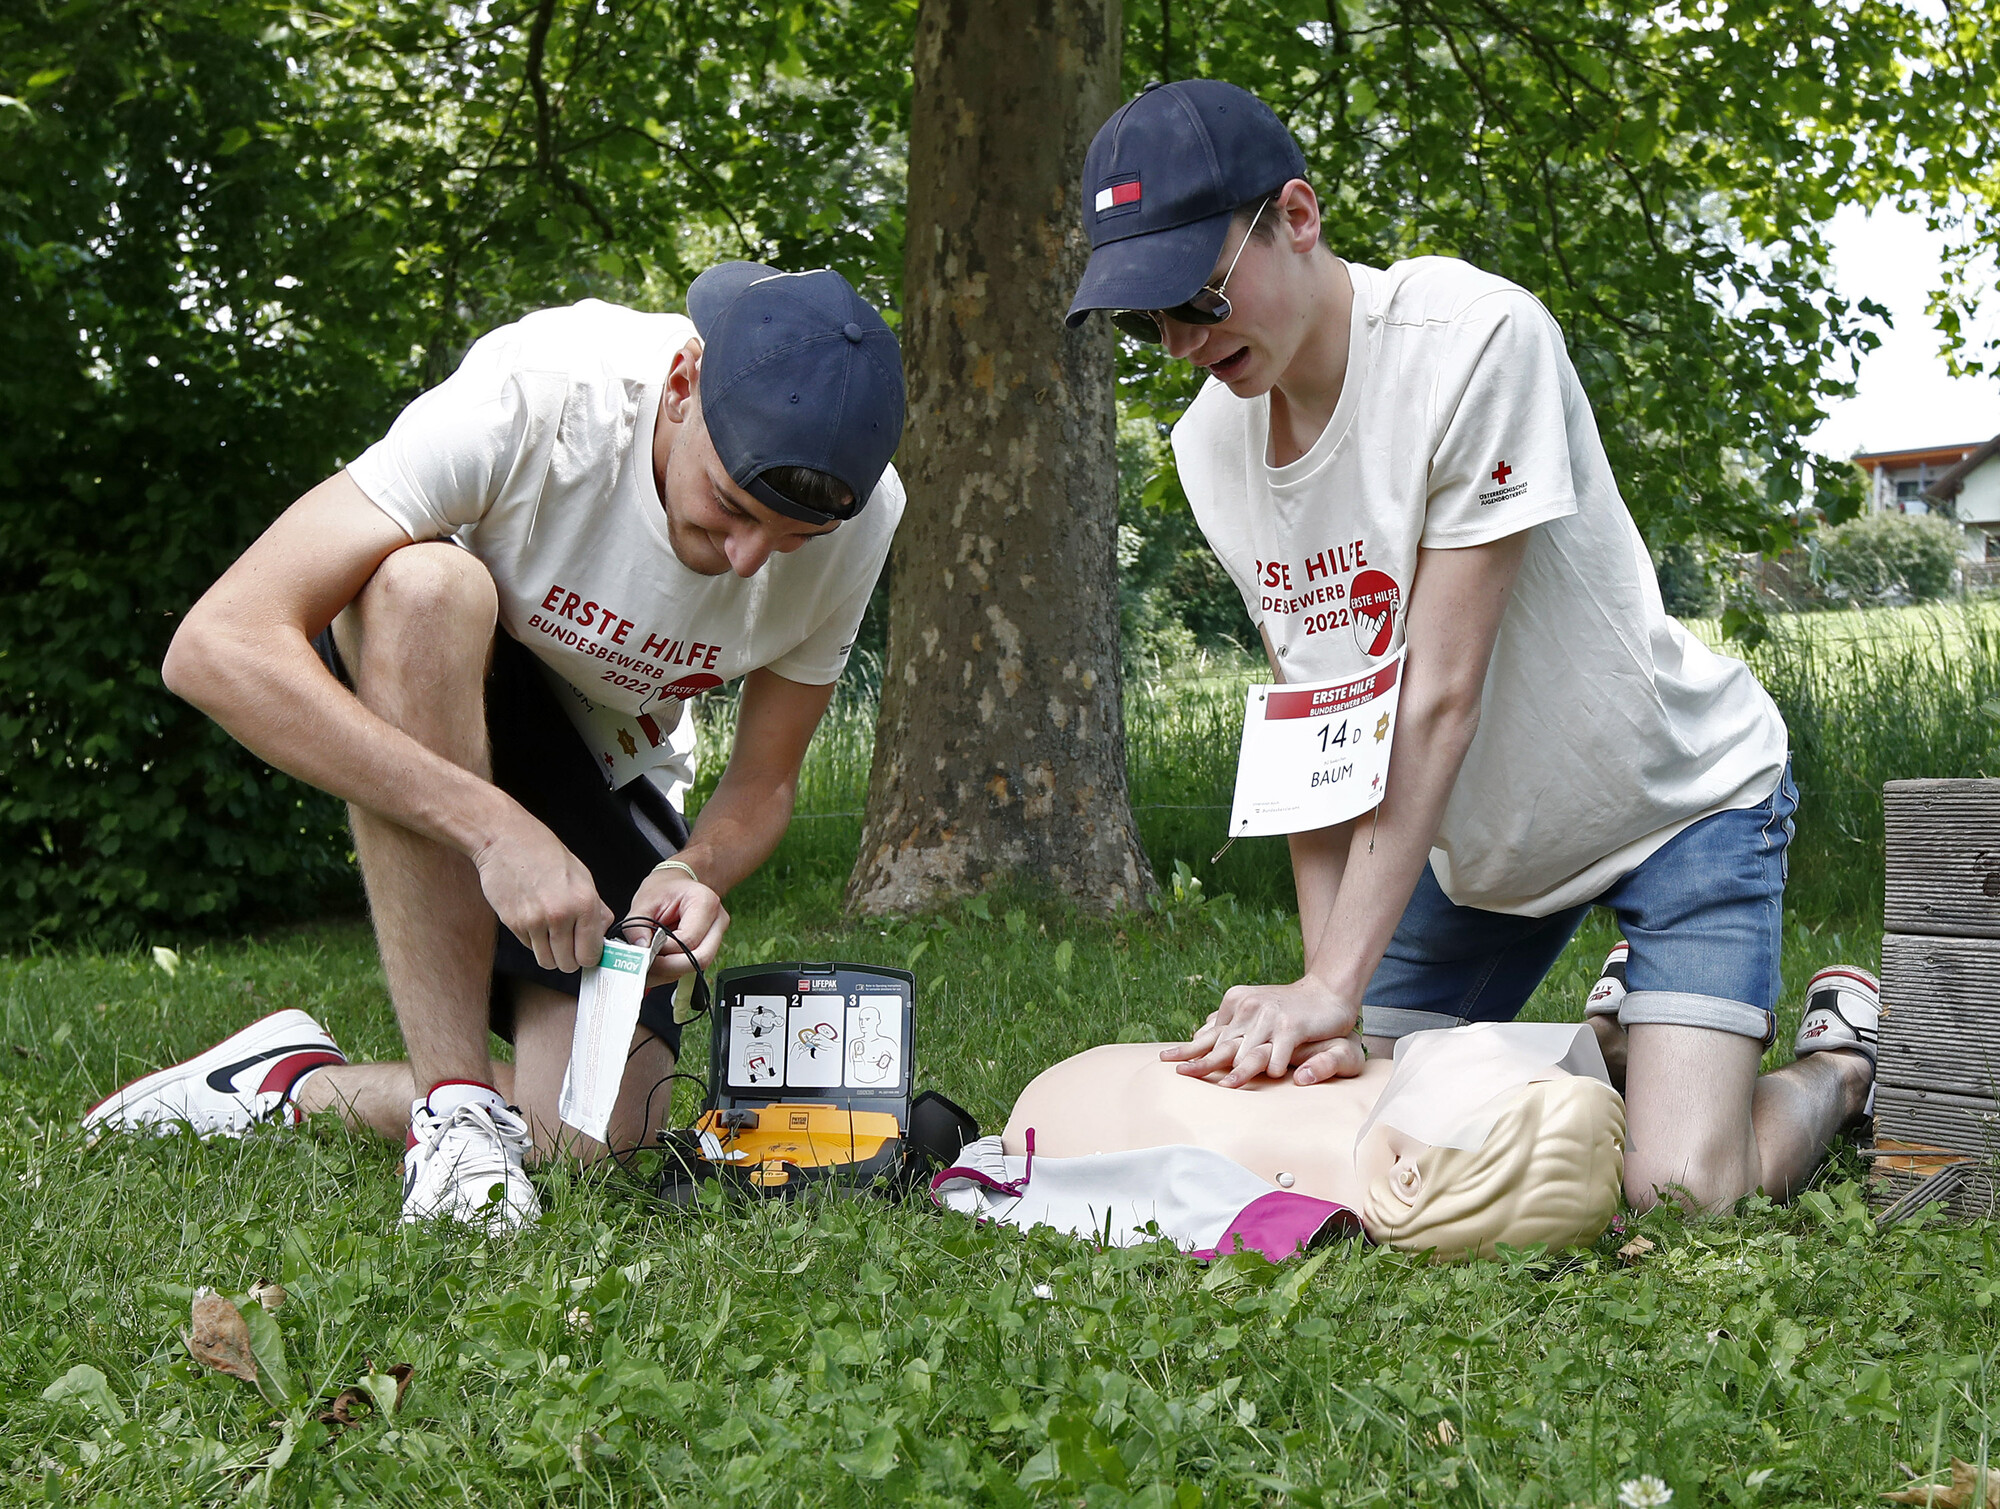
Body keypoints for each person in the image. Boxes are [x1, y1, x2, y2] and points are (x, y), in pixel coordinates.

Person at [1065, 79, 1880, 1213]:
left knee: (1680, 1193)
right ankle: (1628, 1029)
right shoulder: (1210, 445)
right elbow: (1317, 733)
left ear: (1296, 215)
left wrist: (1336, 984)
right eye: (1143, 318)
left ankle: (1840, 1063)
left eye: (1197, 295)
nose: (1180, 342)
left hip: (1675, 809)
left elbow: (1439, 695)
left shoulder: (1476, 340)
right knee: (1383, 1141)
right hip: (1477, 863)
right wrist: (1327, 994)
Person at [83, 263, 906, 1231]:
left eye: (792, 537)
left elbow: (764, 780)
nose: (747, 558)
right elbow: (216, 646)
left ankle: (288, 1081)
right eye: (730, 504)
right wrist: (493, 829)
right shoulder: (542, 392)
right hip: (441, 689)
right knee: (425, 585)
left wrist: (695, 869)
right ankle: (455, 1111)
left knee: (594, 1144)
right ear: (683, 386)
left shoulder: (863, 519)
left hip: (607, 759)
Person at [935, 1022, 1626, 1260]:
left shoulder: (1281, 1150)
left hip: (1062, 1112)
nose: (1483, 1040)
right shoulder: (1398, 1109)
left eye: (1492, 1075)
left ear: (1408, 1175)